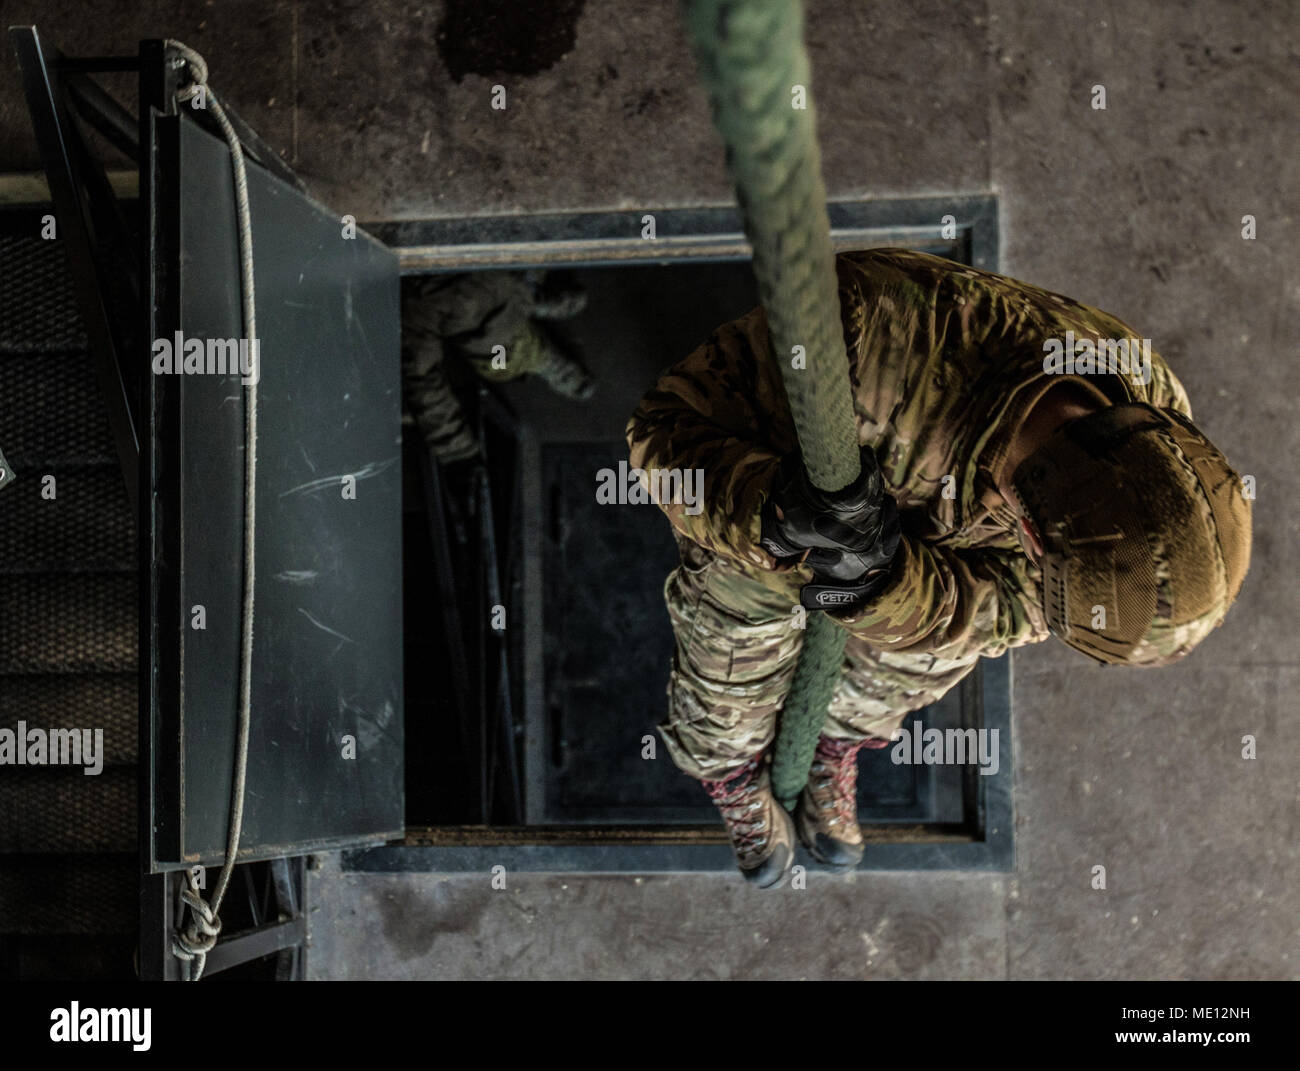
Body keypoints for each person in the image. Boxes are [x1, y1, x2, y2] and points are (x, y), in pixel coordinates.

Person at [626, 248, 1252, 887]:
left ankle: (838, 741)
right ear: (1031, 533)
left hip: (931, 550)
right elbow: (661, 431)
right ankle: (728, 770)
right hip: (771, 535)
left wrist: (886, 584)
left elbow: (1002, 610)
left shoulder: (1151, 421)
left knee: (923, 661)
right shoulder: (862, 332)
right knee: (730, 665)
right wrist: (776, 516)